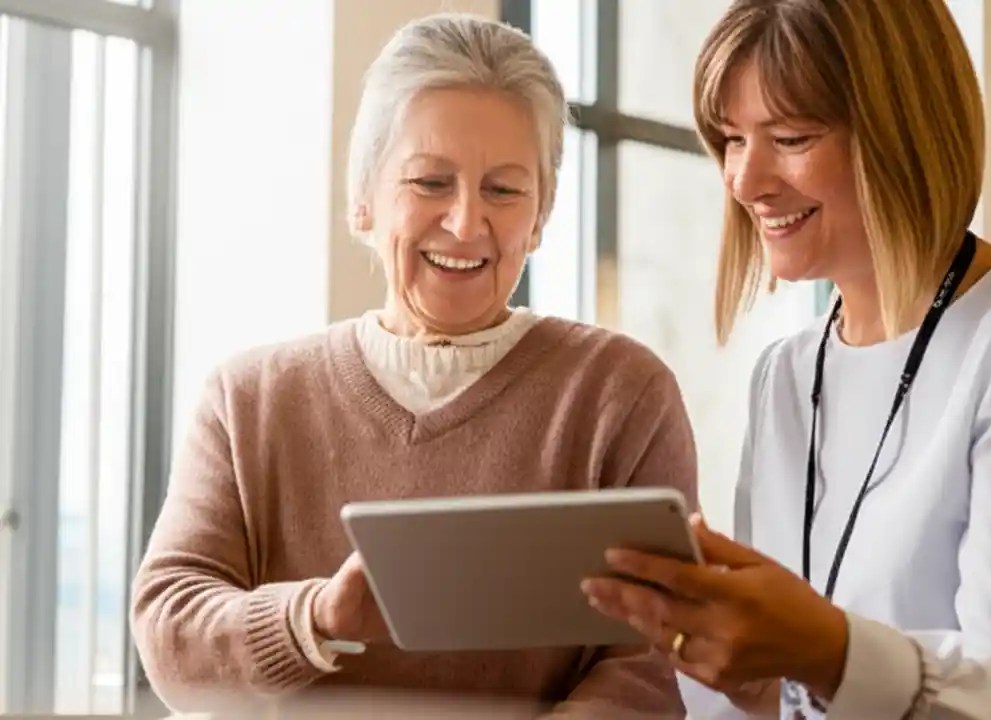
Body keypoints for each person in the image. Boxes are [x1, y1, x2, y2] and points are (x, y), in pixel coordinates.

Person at [581, 1, 991, 717]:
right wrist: (742, 676)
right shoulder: (788, 376)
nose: (743, 180)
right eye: (733, 139)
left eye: (791, 137)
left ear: (905, 136)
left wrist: (825, 651)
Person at [131, 14, 694, 718]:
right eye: (430, 182)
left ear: (543, 213)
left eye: (504, 190)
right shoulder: (248, 399)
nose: (465, 223)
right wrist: (317, 619)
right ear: (361, 201)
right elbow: (169, 631)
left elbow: (657, 661)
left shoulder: (620, 393)